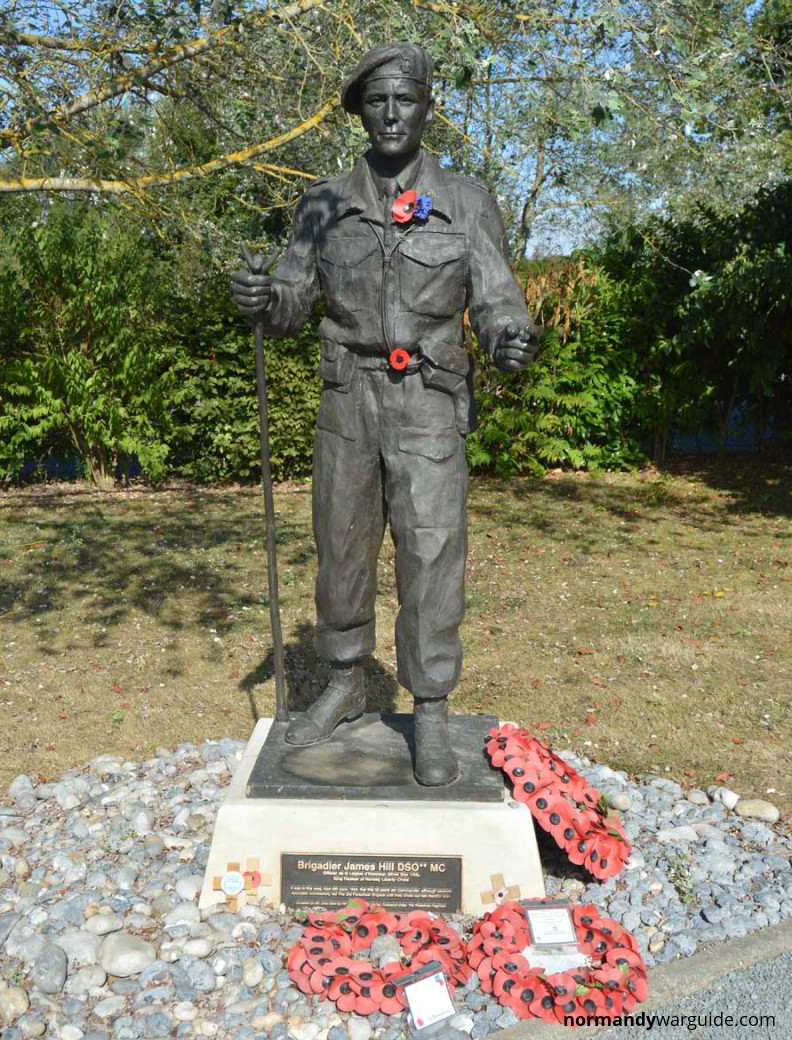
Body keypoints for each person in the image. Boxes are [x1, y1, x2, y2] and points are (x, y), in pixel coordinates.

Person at [232, 41, 541, 787]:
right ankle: (342, 683)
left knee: (432, 553)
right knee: (340, 544)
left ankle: (429, 707)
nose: (392, 113)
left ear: (428, 106)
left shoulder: (467, 202)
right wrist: (263, 300)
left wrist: (508, 339)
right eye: (377, 101)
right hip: (348, 400)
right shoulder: (321, 204)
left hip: (429, 403)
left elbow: (496, 298)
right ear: (359, 113)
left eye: (405, 98)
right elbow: (294, 296)